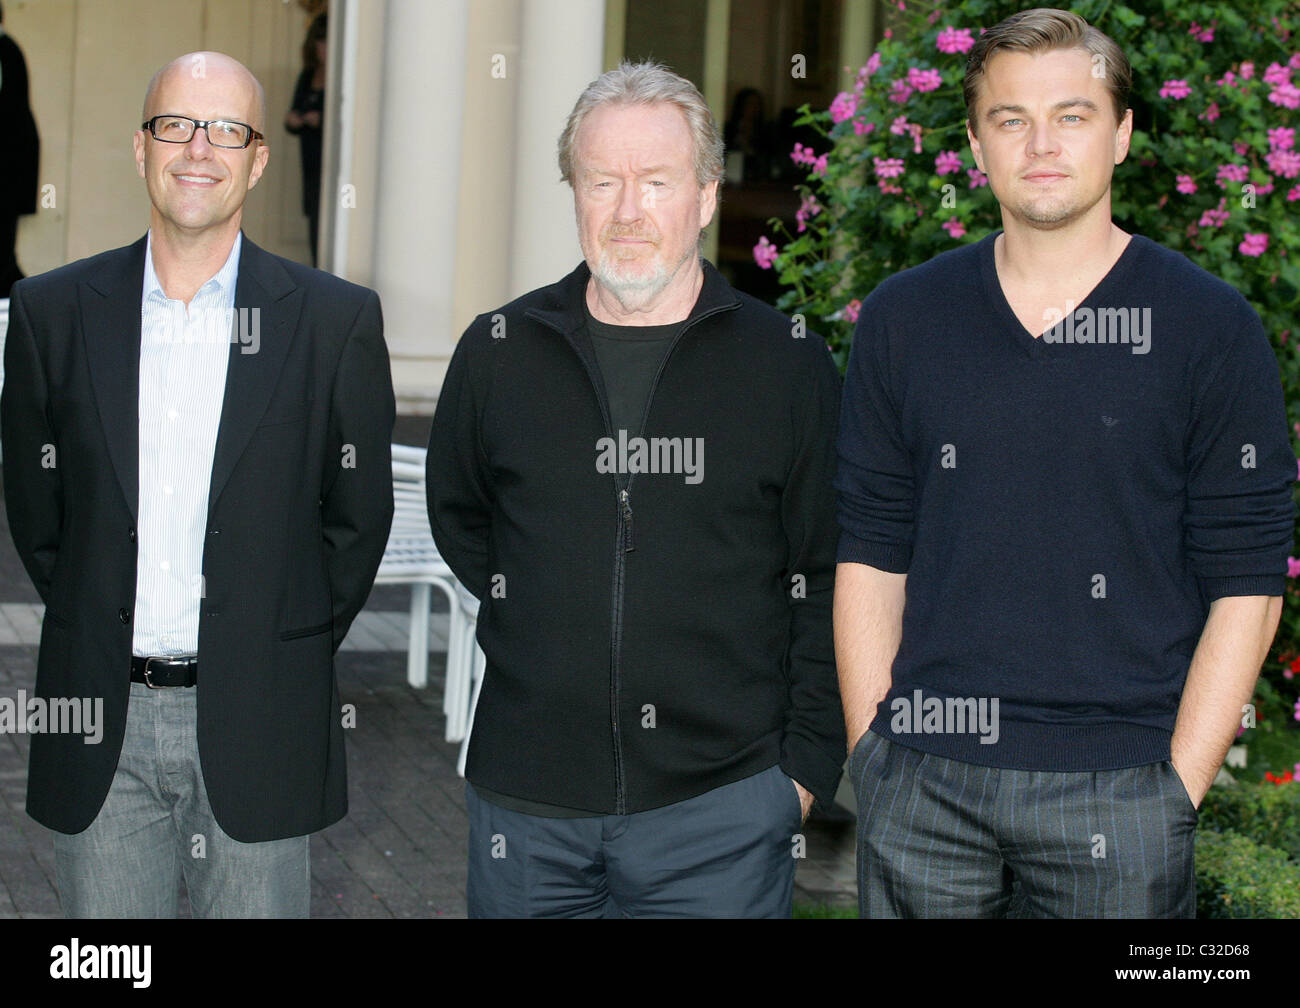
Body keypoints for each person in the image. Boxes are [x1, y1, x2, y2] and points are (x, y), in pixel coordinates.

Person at [835, 8, 1294, 918]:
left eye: (1073, 115)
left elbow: (1249, 581)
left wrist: (1176, 791)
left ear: (1122, 134)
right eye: (1011, 119)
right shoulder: (904, 320)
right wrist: (872, 759)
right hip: (925, 783)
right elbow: (869, 551)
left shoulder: (1209, 329)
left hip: (1121, 791)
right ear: (975, 143)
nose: (1040, 143)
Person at [427, 61, 844, 918]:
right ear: (574, 191)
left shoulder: (786, 366)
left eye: (655, 182)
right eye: (601, 181)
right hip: (527, 809)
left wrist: (800, 776)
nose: (626, 212)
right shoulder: (498, 351)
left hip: (721, 810)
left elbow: (829, 572)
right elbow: (465, 524)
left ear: (705, 195)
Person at [1, 51, 395, 917]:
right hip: (102, 719)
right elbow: (40, 517)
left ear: (257, 158)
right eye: (174, 125)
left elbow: (356, 521)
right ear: (142, 148)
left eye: (226, 130)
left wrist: (275, 644)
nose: (197, 149)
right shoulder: (52, 315)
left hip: (259, 715)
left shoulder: (333, 322)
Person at [0, 0, 40, 294]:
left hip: (6, 168)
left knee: (2, 256)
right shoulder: (9, 50)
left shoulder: (5, 52)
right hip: (10, 167)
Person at [285, 13, 326, 266]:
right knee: (314, 221)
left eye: (327, 42)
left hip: (330, 165)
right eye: (319, 43)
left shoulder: (342, 78)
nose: (323, 49)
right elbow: (292, 115)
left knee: (327, 222)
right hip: (309, 162)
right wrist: (295, 119)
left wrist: (321, 120)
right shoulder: (308, 75)